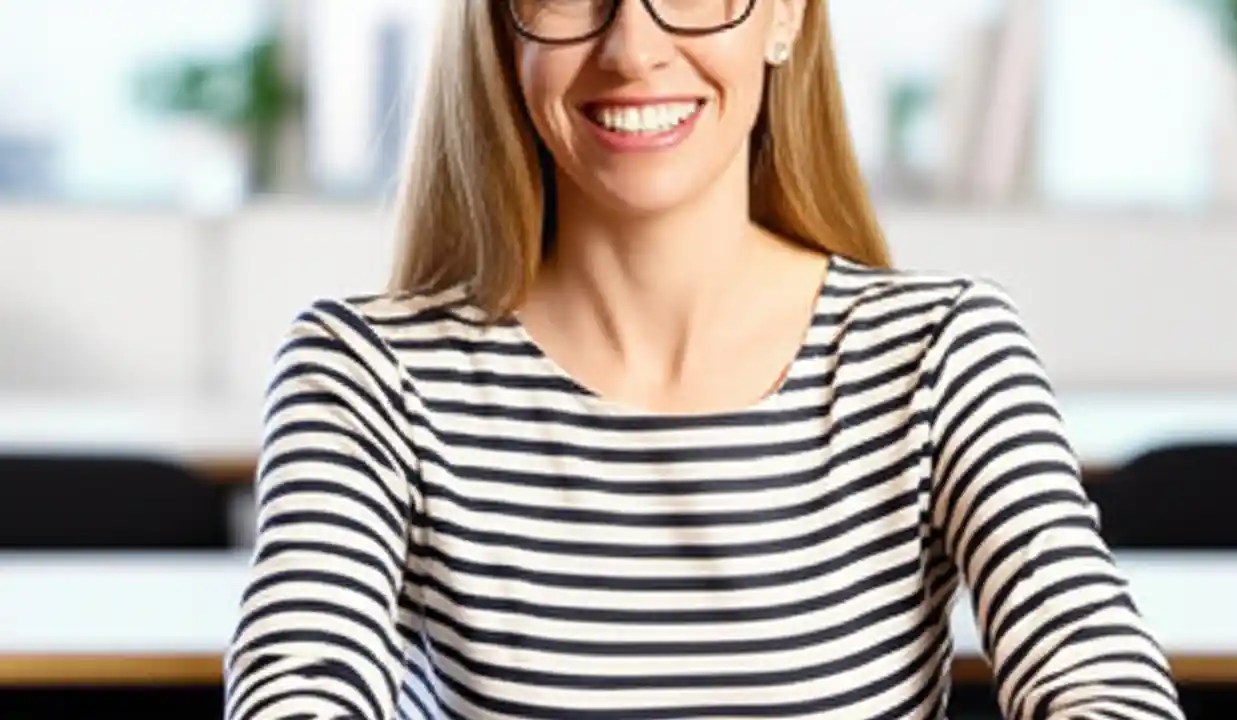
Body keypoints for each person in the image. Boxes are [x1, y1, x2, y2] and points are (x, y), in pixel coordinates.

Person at [224, 1, 1184, 718]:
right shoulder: (365, 374)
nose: (632, 48)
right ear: (501, 31)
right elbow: (295, 693)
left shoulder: (941, 351)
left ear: (785, 16)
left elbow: (1103, 683)